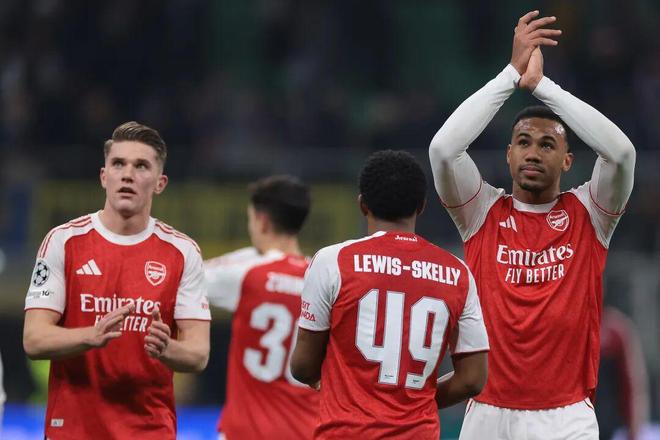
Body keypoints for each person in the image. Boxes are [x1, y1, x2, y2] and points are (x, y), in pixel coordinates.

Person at [428, 10, 636, 440]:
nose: (533, 153)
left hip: (566, 418)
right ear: (509, 155)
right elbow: (444, 150)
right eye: (523, 142)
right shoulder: (481, 213)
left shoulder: (590, 214)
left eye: (547, 144)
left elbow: (621, 154)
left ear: (567, 160)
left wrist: (543, 87)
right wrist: (511, 74)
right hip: (487, 414)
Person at [23, 121, 211, 439]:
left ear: (160, 183)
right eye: (118, 164)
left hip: (148, 430)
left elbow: (198, 354)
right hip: (73, 429)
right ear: (103, 176)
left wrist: (167, 349)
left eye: (141, 166)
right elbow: (33, 339)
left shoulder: (182, 252)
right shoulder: (64, 241)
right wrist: (90, 335)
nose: (127, 174)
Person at [291, 150, 489, 439]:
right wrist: (413, 405)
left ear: (362, 204)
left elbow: (303, 366)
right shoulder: (457, 273)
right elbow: (473, 379)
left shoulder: (333, 261)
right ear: (421, 206)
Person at [204, 175, 318, 439]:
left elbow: (181, 280)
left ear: (262, 221)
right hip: (305, 433)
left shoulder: (247, 273)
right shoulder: (324, 278)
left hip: (245, 432)